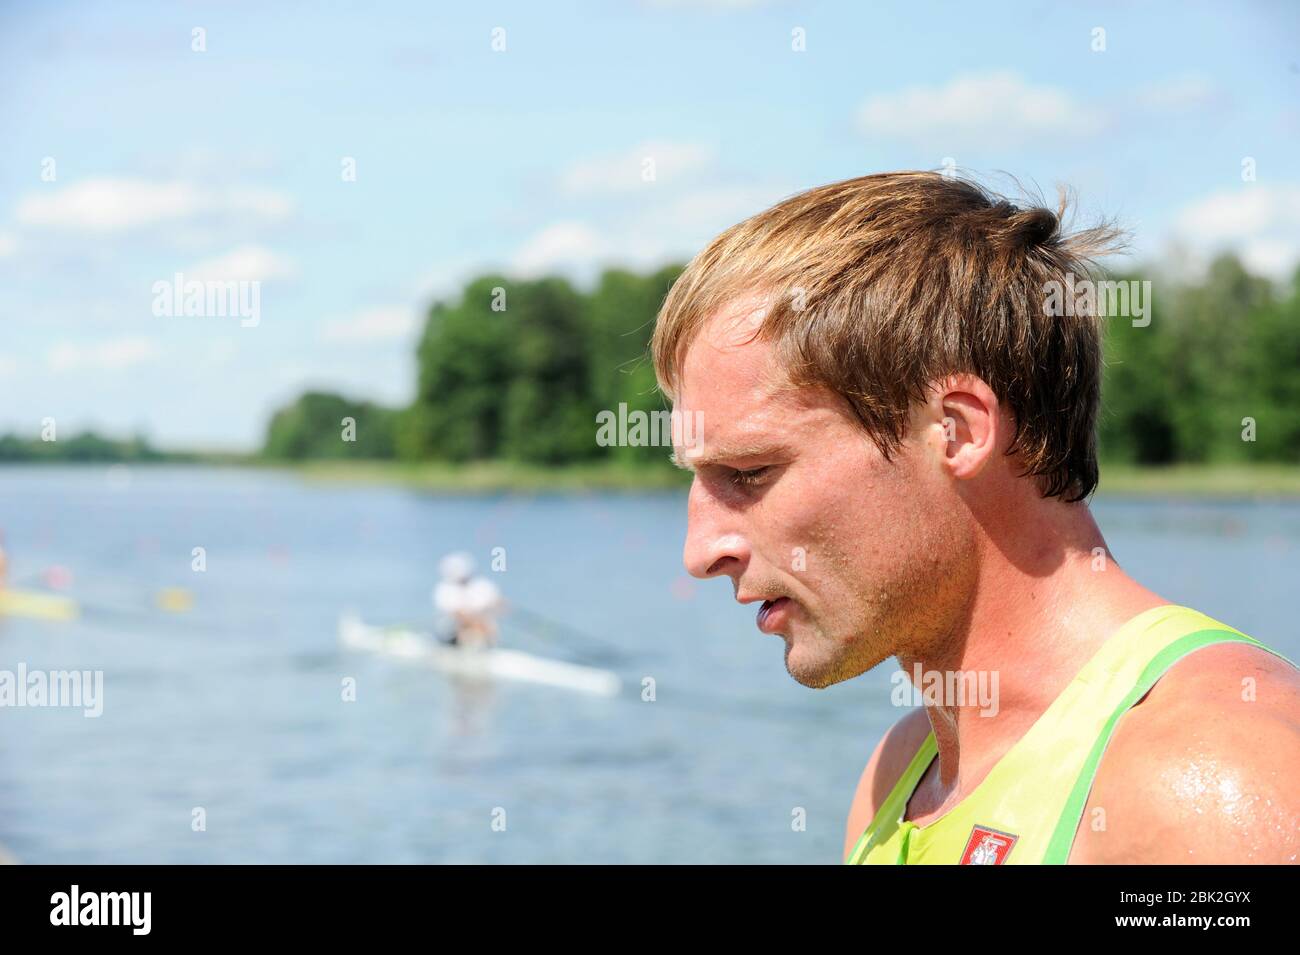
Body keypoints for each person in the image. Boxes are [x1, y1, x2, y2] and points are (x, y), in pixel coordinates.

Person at [650, 171, 1300, 864]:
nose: (700, 550)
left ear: (955, 432)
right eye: (698, 478)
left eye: (750, 473)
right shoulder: (900, 775)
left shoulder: (1214, 782)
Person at [432, 552, 504, 649]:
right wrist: (478, 624)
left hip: (482, 634)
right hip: (452, 634)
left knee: (486, 626)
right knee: (469, 628)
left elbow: (499, 604)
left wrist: (497, 605)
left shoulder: (482, 586)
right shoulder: (445, 590)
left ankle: (483, 647)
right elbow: (459, 615)